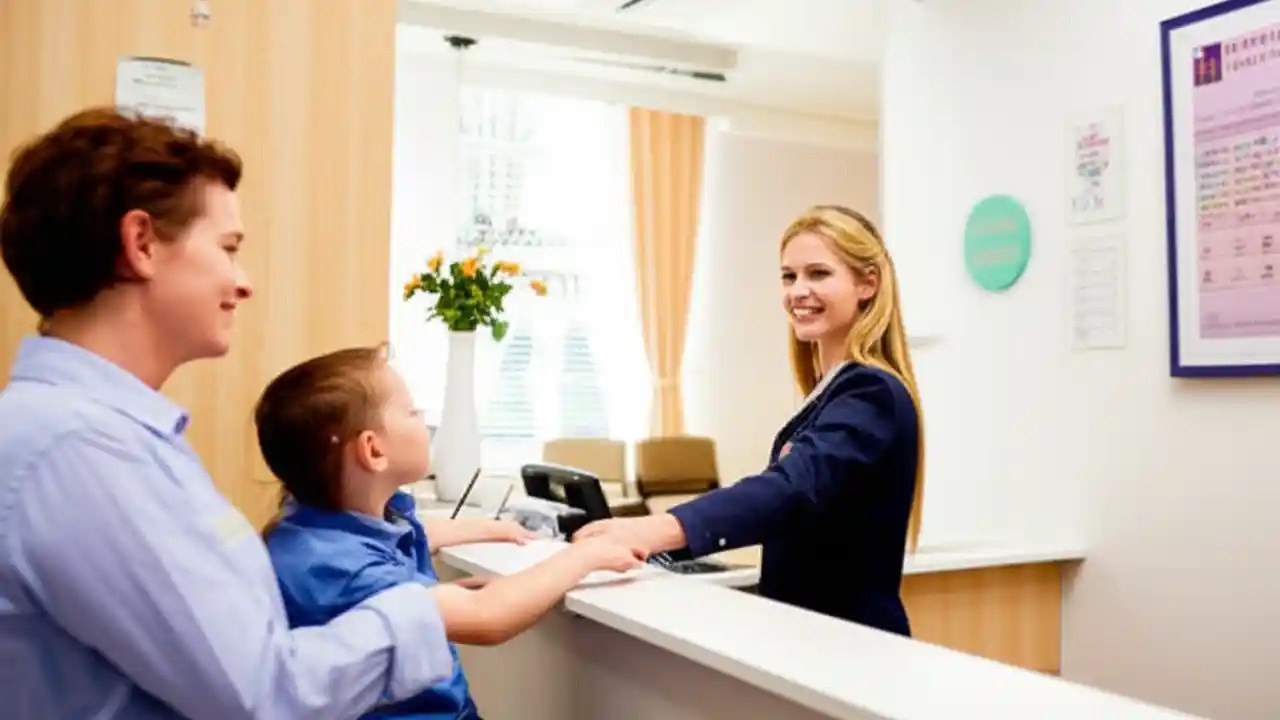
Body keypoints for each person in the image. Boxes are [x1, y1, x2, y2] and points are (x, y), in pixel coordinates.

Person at [0, 107, 637, 720]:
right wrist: (425, 611)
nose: (243, 281)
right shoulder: (78, 451)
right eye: (227, 248)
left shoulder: (104, 438)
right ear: (141, 243)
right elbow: (264, 696)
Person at [574, 204, 925, 636]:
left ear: (868, 283)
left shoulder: (872, 393)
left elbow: (791, 490)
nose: (798, 290)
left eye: (818, 274)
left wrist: (658, 529)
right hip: (814, 637)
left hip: (852, 643)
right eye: (789, 276)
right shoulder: (831, 389)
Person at [256, 345, 648, 720]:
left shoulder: (317, 525)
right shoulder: (334, 565)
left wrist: (489, 529)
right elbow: (488, 616)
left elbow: (405, 536)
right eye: (411, 411)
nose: (424, 417)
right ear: (373, 451)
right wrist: (586, 556)